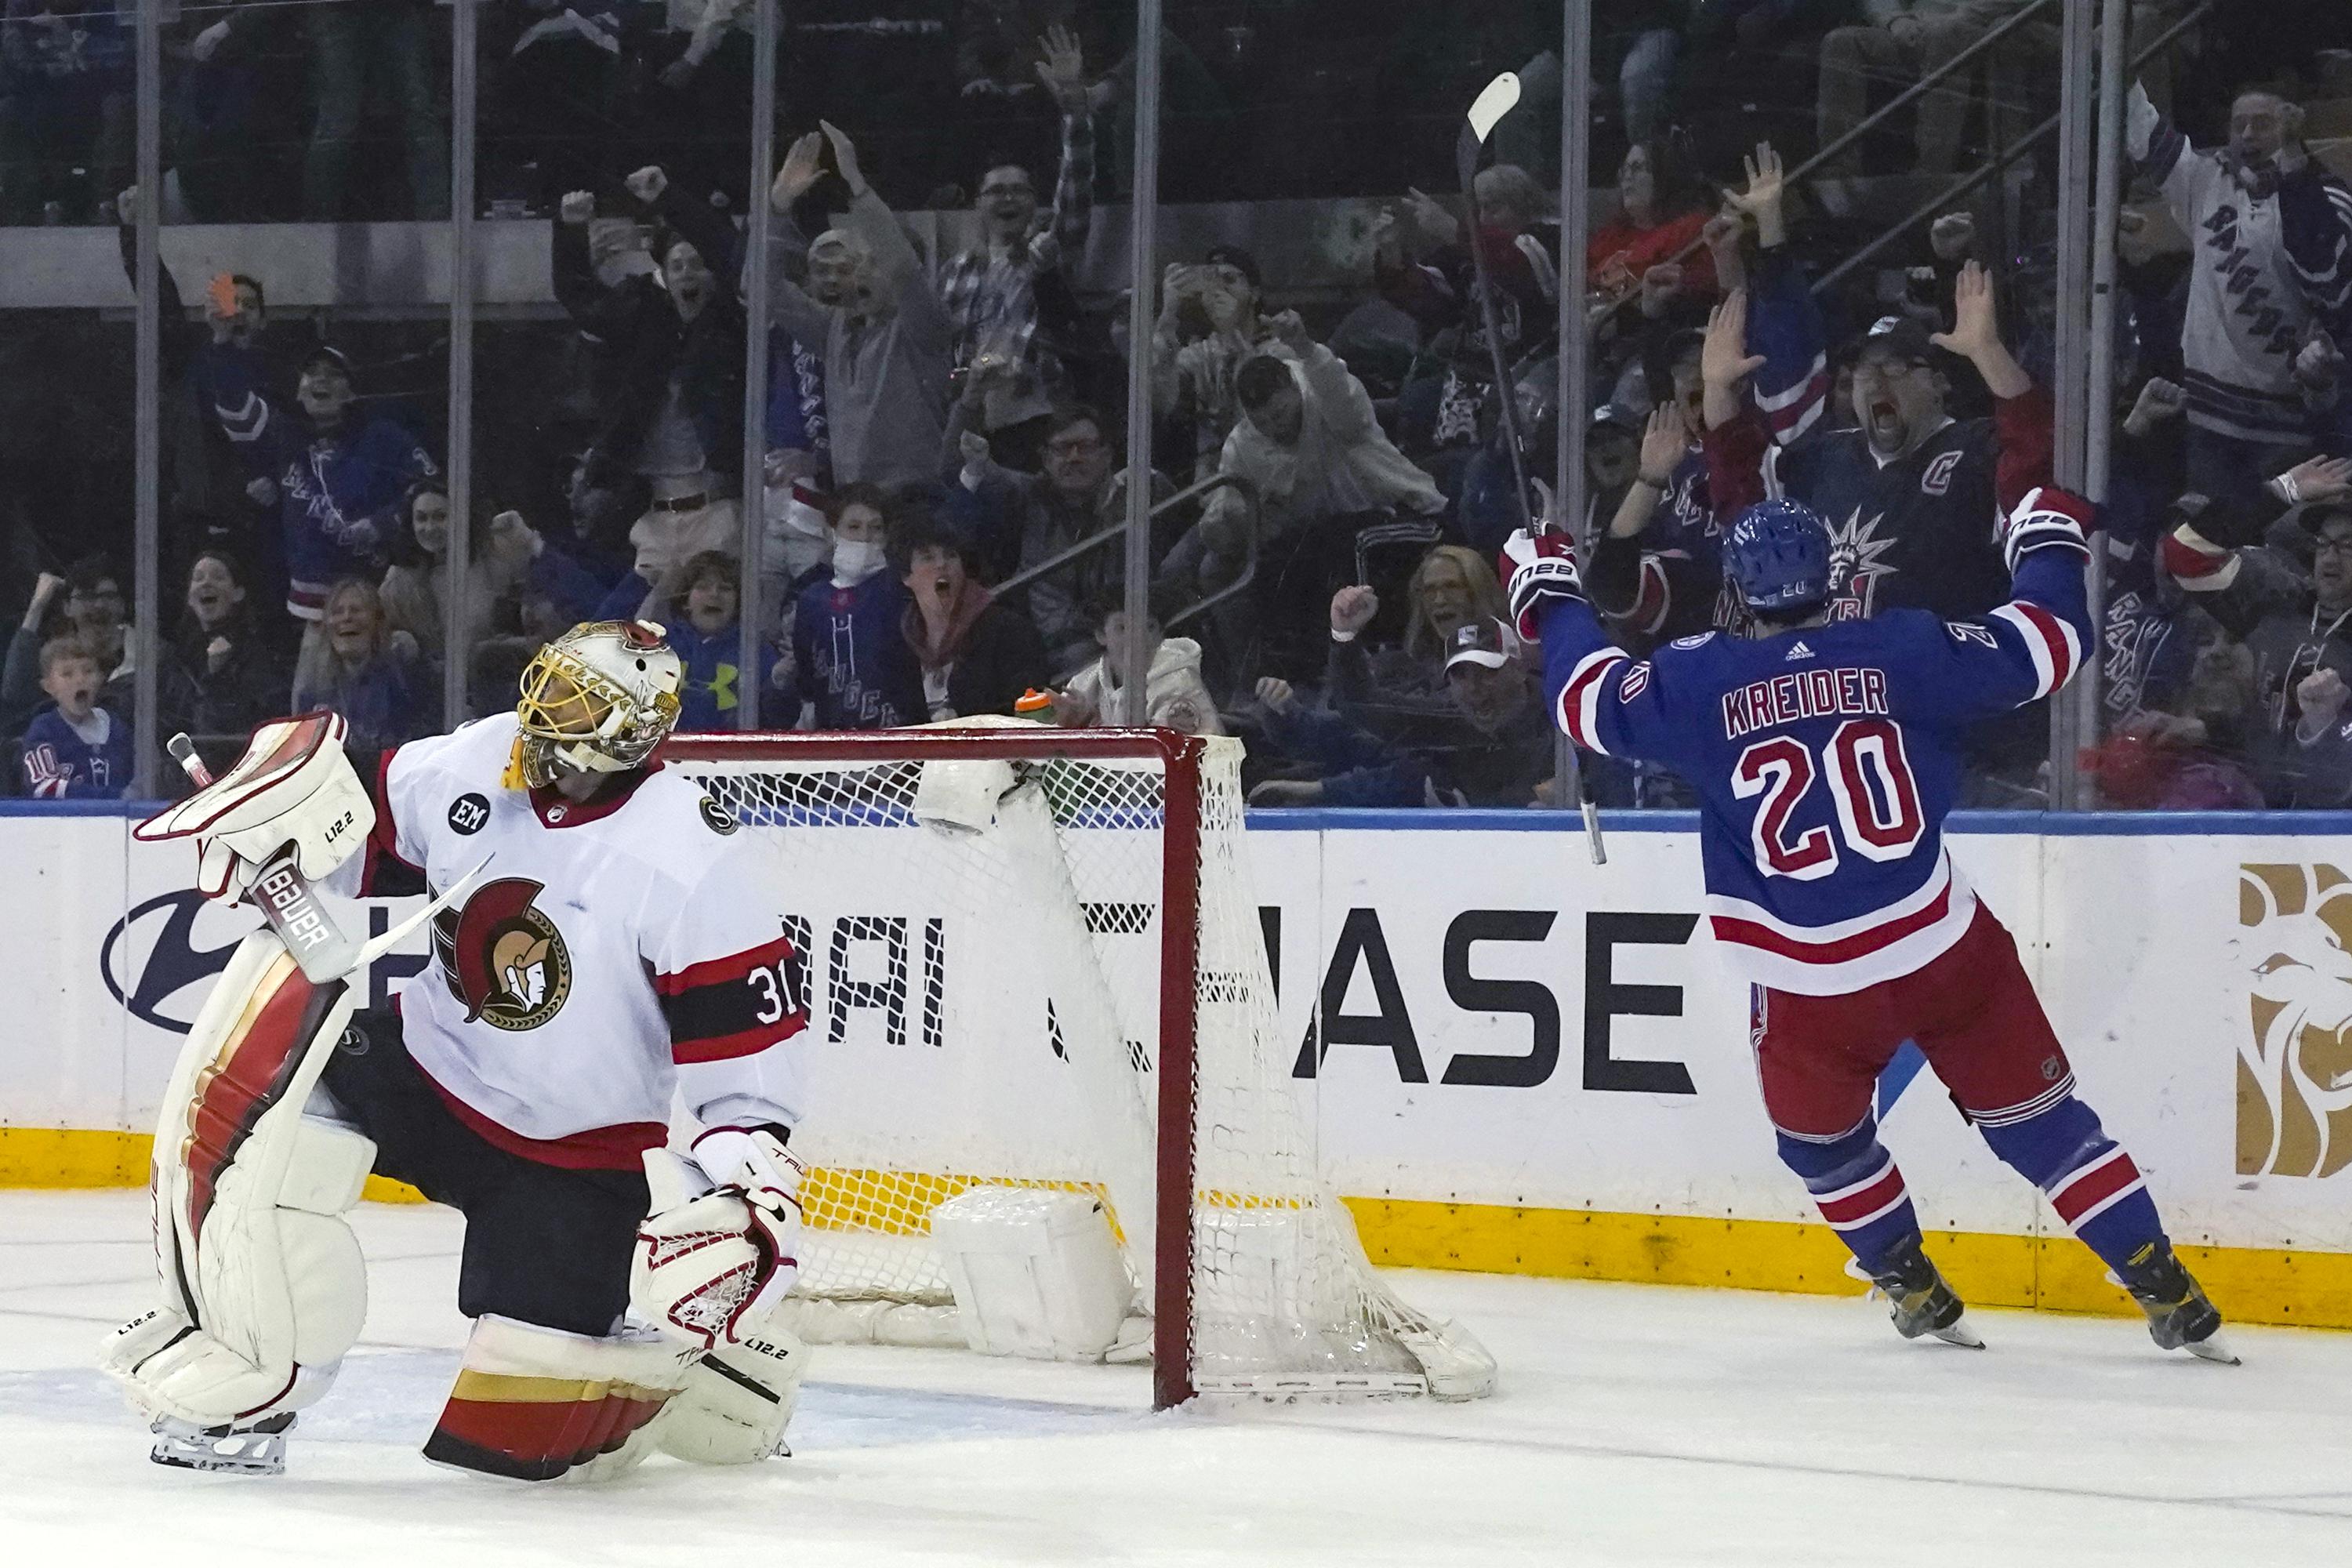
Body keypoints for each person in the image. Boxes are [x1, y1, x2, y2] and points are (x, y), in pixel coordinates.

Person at [1501, 485, 2233, 1359]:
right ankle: (2163, 1282)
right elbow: (2050, 640)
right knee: (2046, 1125)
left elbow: (1585, 699)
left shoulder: (1698, 680)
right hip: (1943, 947)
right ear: (1836, 577)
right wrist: (2045, 528)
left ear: (1735, 591)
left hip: (1813, 983)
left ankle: (1910, 1280)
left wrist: (1549, 590)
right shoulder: (1902, 648)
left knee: (1821, 1147)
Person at [105, 620, 814, 1481]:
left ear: (634, 729)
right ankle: (254, 1385)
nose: (543, 714)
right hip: (422, 1072)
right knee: (271, 1127)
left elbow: (743, 1067)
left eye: (578, 702)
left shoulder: (690, 859)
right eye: (547, 684)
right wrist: (275, 839)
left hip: (570, 1155)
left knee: (524, 1432)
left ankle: (728, 1383)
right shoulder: (483, 758)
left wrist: (748, 1181)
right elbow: (357, 824)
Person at [2129, 80, 2352, 505]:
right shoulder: (2205, 180)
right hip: (2208, 417)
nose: (2248, 135)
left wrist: (2292, 167)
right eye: (2239, 125)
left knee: (2273, 547)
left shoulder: (2328, 195)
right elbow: (2144, 132)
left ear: (2290, 126)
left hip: (2290, 423)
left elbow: (2328, 283)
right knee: (2206, 546)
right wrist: (2119, 73)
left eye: (2263, 124)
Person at [764, 122, 954, 491]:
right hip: (852, 504)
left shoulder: (925, 329)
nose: (865, 273)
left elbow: (902, 269)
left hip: (916, 502)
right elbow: (764, 291)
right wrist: (777, 210)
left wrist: (858, 188)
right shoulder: (833, 329)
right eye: (860, 264)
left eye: (875, 263)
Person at [936, 24, 1102, 420]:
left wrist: (1075, 107)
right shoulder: (955, 271)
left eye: (1019, 190)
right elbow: (940, 349)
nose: (1007, 198)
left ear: (1034, 202)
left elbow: (1076, 180)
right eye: (996, 191)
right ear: (978, 204)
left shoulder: (1050, 251)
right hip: (969, 413)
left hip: (1039, 414)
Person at [211, 344, 441, 626]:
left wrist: (383, 523)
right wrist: (224, 340)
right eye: (312, 373)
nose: (321, 380)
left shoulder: (383, 438)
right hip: (301, 608)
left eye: (333, 374)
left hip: (372, 603)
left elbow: (432, 486)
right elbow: (233, 401)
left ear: (352, 392)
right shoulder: (281, 432)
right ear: (298, 389)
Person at [1248, 619, 1555, 809]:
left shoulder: (1568, 721)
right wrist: (1343, 639)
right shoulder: (1446, 721)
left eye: (1487, 672)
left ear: (1517, 669)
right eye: (1460, 675)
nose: (1473, 687)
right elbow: (1361, 715)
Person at [1323, 546, 1511, 743]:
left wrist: (1344, 638)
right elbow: (1346, 727)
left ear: (1478, 591)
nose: (1439, 600)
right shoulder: (1408, 666)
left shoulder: (1498, 668)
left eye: (1452, 587)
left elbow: (1377, 712)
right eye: (1430, 590)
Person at [788, 483, 921, 728]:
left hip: (897, 739)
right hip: (834, 743)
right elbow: (807, 671)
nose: (865, 536)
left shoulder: (903, 591)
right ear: (832, 532)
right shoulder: (811, 599)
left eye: (876, 528)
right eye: (853, 527)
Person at [894, 514, 1048, 722]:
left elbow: (1029, 711)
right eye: (927, 558)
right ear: (906, 577)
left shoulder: (1008, 630)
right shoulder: (901, 642)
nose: (942, 564)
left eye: (950, 555)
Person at [158, 550, 290, 778]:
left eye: (218, 577)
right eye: (198, 578)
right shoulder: (176, 657)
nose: (206, 583)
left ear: (238, 593)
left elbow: (247, 728)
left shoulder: (258, 655)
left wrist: (217, 676)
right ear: (190, 597)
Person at [644, 549, 783, 732]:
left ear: (739, 602)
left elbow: (778, 718)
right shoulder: (658, 646)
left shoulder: (756, 651)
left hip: (733, 756)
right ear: (686, 600)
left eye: (725, 588)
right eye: (703, 587)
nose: (714, 594)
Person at [291, 578, 430, 757]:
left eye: (356, 610)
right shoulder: (313, 690)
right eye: (337, 611)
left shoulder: (403, 681)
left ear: (377, 622)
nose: (346, 617)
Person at [1052, 591, 1223, 735]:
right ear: (1102, 636)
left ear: (1160, 635)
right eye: (1123, 628)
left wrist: (1090, 726)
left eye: (1148, 627)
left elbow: (1168, 761)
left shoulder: (1178, 683)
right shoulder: (1084, 683)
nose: (1137, 637)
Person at [16, 635, 129, 798]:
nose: (79, 679)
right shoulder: (44, 731)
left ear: (100, 678)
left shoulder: (116, 726)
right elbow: (44, 787)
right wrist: (114, 796)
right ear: (49, 686)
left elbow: (141, 778)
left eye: (88, 671)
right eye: (67, 674)